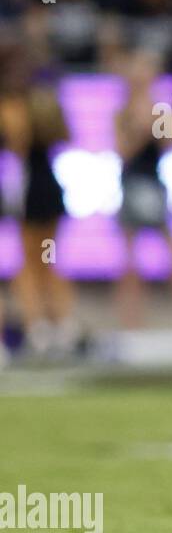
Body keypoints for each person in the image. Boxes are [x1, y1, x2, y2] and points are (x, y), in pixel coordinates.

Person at [1, 53, 78, 358]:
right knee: (43, 259)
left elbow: (19, 145)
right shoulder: (40, 104)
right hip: (41, 187)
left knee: (36, 261)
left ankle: (47, 325)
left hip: (34, 189)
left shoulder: (20, 107)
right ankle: (51, 324)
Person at [115, 49, 172, 329]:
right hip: (131, 185)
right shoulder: (123, 112)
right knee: (128, 263)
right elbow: (120, 151)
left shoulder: (160, 110)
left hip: (155, 187)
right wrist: (141, 130)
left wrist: (164, 127)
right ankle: (130, 324)